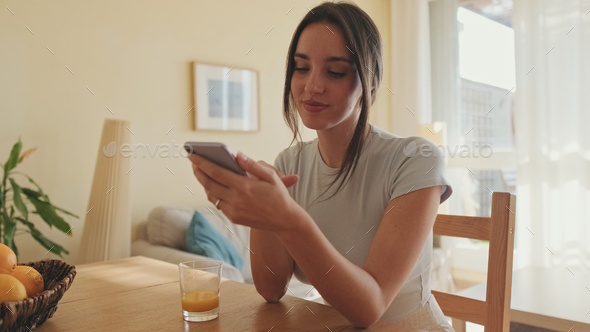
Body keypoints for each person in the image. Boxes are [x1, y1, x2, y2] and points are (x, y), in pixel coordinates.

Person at [189, 1, 454, 330]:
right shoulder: (289, 163)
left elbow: (370, 307)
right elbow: (271, 289)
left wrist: (288, 221)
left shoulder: (415, 159)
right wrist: (263, 212)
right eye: (301, 68)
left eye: (335, 71)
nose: (312, 86)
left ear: (370, 83)